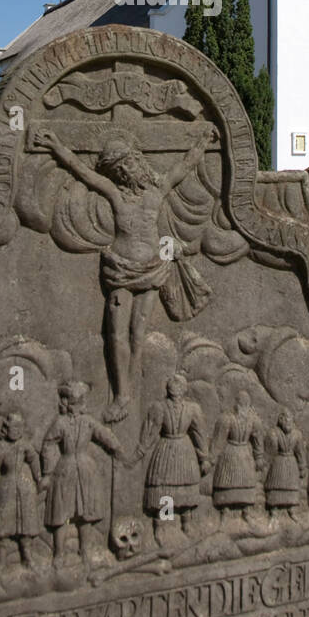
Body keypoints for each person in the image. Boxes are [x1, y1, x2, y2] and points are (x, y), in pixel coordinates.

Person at [34, 125, 216, 422]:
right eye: (120, 169)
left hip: (152, 269)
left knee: (138, 332)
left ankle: (130, 390)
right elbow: (83, 171)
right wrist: (56, 146)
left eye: (130, 163)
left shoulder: (157, 190)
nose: (128, 171)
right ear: (116, 174)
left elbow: (184, 166)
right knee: (116, 333)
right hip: (120, 268)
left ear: (138, 161)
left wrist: (204, 141)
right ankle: (121, 394)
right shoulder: (115, 195)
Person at [40, 381, 123, 566]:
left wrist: (116, 448)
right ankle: (59, 553)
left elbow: (103, 434)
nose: (77, 405)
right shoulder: (60, 423)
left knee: (86, 511)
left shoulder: (88, 422)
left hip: (86, 468)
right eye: (74, 401)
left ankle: (85, 549)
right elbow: (48, 444)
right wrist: (48, 471)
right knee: (61, 512)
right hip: (65, 467)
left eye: (80, 401)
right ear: (67, 403)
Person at [132, 373, 210, 539]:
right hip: (166, 449)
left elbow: (199, 433)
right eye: (172, 386)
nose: (175, 389)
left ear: (184, 389)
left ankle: (186, 523)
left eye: (179, 386)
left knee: (186, 486)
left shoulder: (192, 409)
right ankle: (164, 523)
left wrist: (204, 458)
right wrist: (140, 451)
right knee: (165, 487)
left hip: (185, 450)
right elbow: (151, 431)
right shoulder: (159, 407)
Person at [0, 412, 43, 571]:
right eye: (13, 427)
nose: (16, 430)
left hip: (24, 488)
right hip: (5, 488)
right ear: (6, 428)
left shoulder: (24, 445)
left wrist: (38, 478)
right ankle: (1, 561)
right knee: (3, 525)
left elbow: (34, 459)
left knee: (26, 523)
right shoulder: (1, 447)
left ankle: (27, 557)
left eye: (19, 427)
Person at [211, 391, 265, 524]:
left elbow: (258, 440)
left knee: (246, 482)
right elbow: (219, 440)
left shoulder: (254, 420)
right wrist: (212, 457)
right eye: (241, 402)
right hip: (230, 453)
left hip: (245, 453)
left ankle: (246, 511)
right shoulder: (226, 418)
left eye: (246, 403)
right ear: (236, 404)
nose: (243, 405)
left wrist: (259, 457)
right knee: (227, 481)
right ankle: (225, 512)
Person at [263, 409, 307, 520]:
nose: (288, 421)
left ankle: (292, 510)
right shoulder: (274, 432)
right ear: (281, 420)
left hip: (291, 463)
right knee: (275, 486)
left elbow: (300, 452)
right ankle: (274, 511)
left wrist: (302, 466)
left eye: (290, 419)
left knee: (291, 486)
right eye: (285, 419)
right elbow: (270, 451)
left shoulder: (297, 434)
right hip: (278, 462)